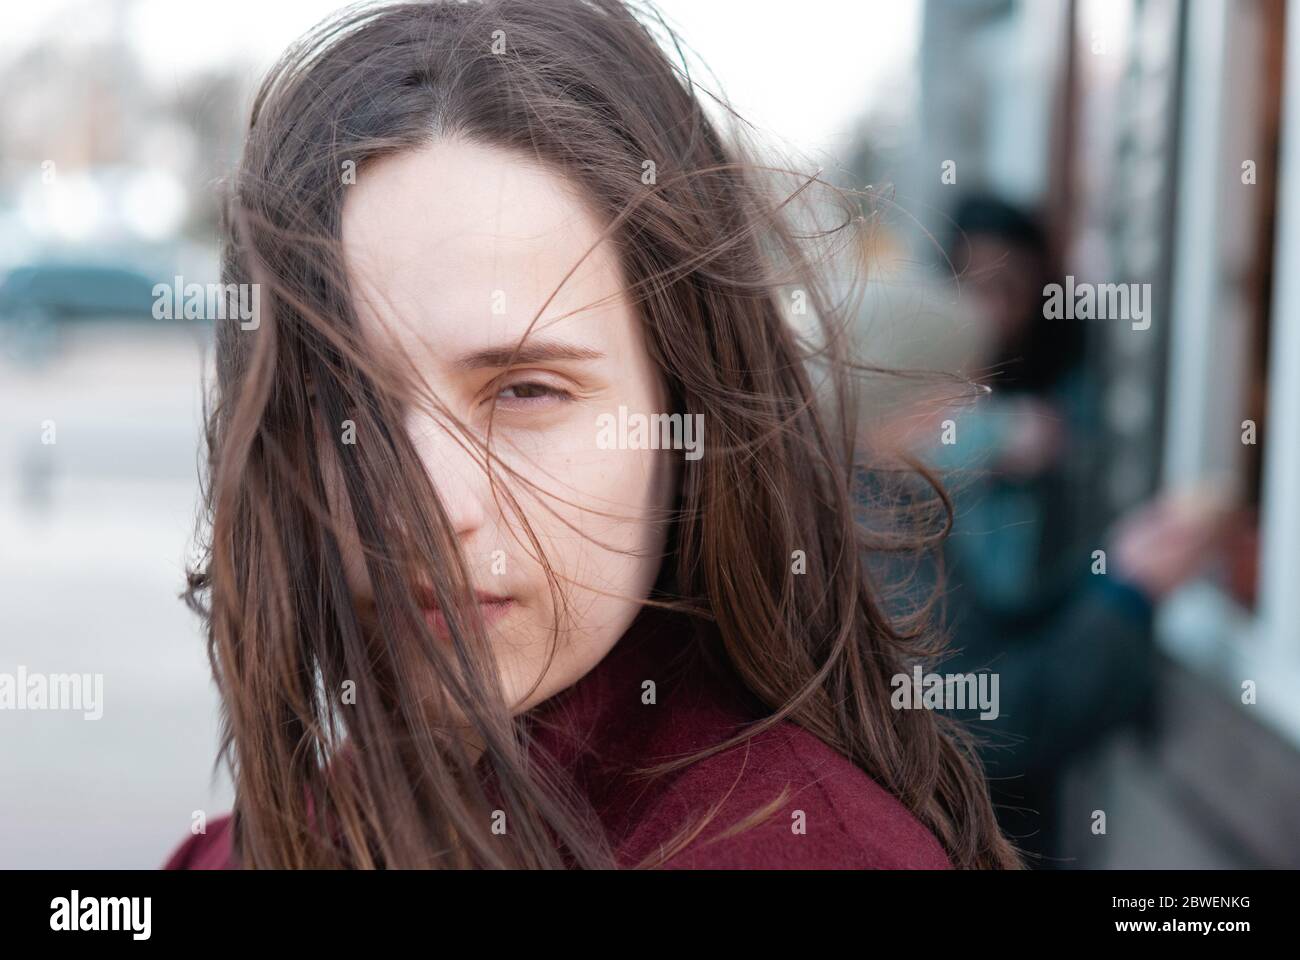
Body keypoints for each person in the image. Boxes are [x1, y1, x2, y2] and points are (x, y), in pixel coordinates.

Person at [162, 0, 1021, 870]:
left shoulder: (809, 853)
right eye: (340, 400)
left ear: (689, 416)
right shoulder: (264, 843)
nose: (423, 506)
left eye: (528, 390)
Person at [880, 194, 1233, 865]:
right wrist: (1125, 597)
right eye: (956, 389)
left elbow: (995, 635)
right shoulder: (875, 526)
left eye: (1010, 287)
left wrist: (1117, 576)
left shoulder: (880, 501)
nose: (973, 406)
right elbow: (985, 719)